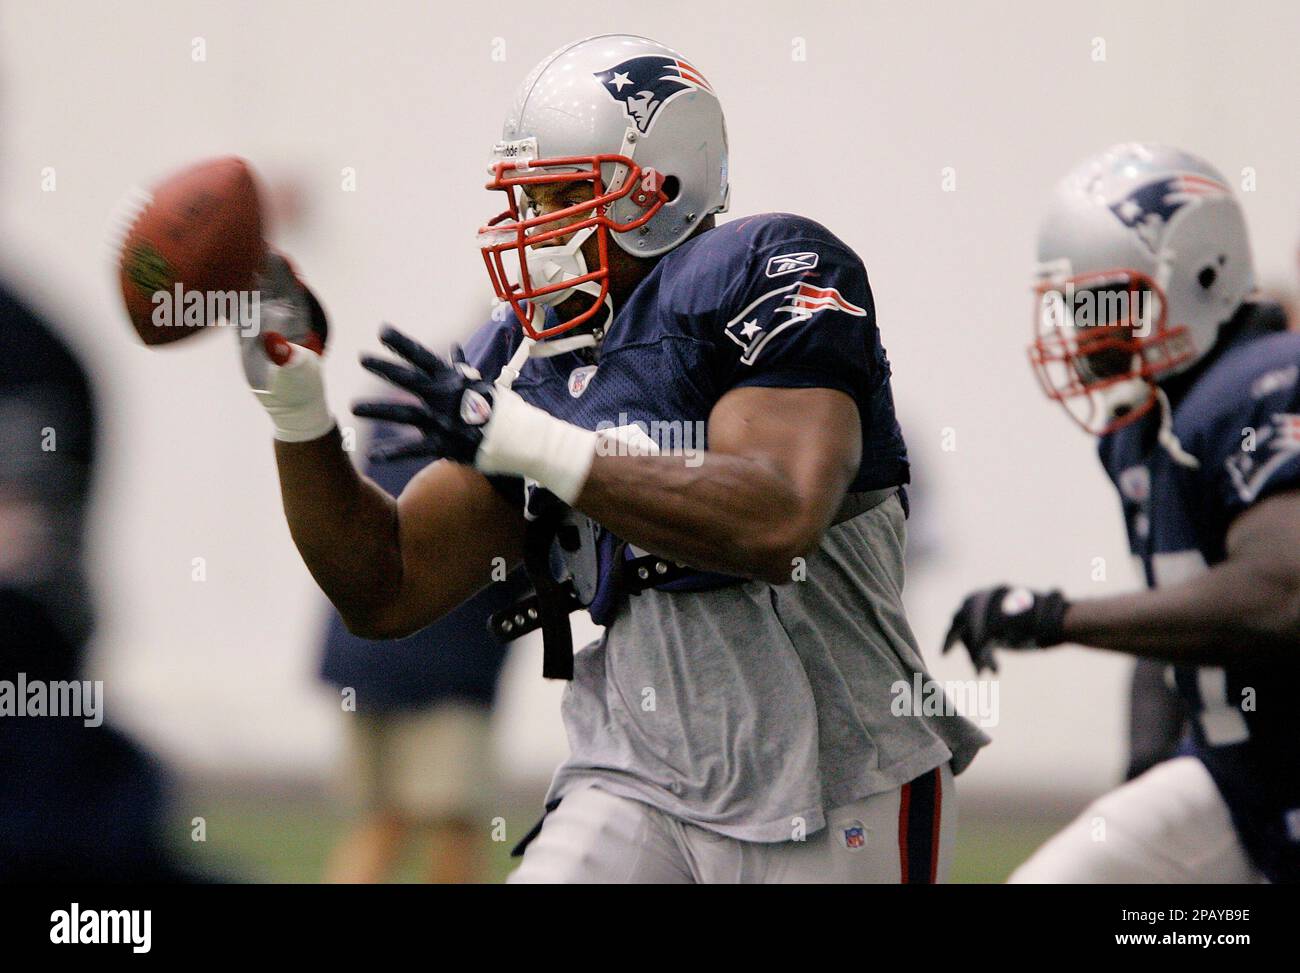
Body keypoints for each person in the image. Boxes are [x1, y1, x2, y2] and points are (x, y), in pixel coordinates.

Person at [244, 34, 987, 883]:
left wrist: (526, 442)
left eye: (563, 193)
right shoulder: (536, 357)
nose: (534, 226)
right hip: (635, 777)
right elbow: (387, 587)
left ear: (662, 186)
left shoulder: (768, 270)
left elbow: (777, 517)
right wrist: (294, 407)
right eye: (528, 200)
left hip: (839, 779)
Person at [944, 144, 1300, 883]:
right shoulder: (1145, 426)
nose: (1079, 329)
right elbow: (1176, 616)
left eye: (1101, 300)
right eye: (1071, 303)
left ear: (1201, 276)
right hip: (1236, 777)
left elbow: (1280, 593)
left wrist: (1060, 618)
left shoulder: (1262, 386)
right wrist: (1145, 762)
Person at [319, 423, 526, 884]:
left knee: (381, 823)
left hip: (365, 657)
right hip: (446, 669)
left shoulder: (392, 433)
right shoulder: (502, 440)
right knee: (454, 826)